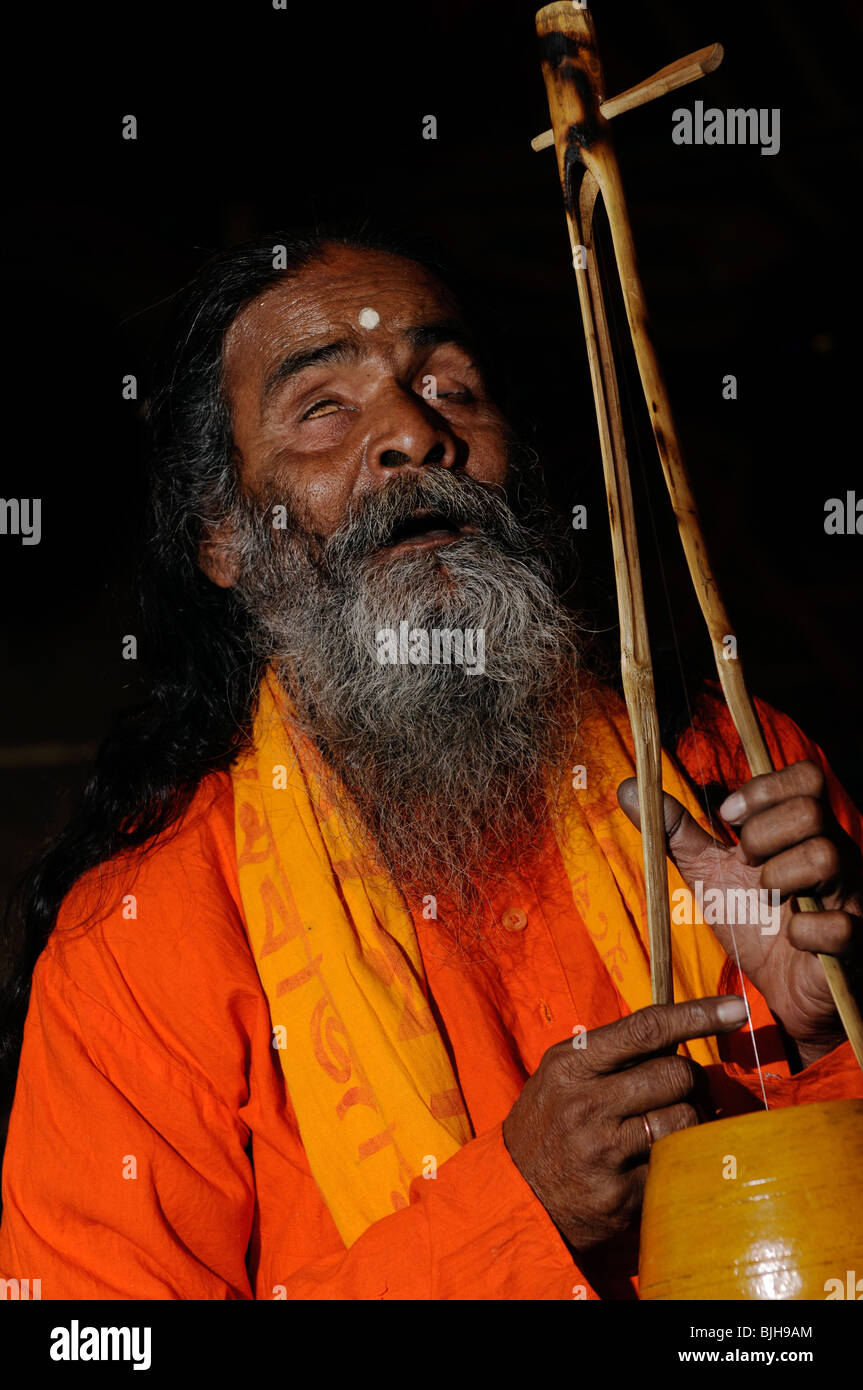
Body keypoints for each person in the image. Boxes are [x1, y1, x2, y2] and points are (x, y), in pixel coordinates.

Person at [1, 229, 861, 1300]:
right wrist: (517, 1214)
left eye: (452, 386)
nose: (415, 431)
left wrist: (834, 1031)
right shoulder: (135, 948)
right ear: (222, 535)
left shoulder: (736, 766)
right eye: (323, 407)